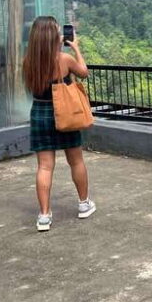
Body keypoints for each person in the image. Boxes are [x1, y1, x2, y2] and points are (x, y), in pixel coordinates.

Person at [22, 16, 94, 232]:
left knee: (44, 166)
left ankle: (44, 215)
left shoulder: (28, 61)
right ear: (53, 36)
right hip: (65, 112)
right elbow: (84, 72)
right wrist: (76, 48)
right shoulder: (64, 59)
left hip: (40, 112)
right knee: (76, 161)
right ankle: (84, 204)